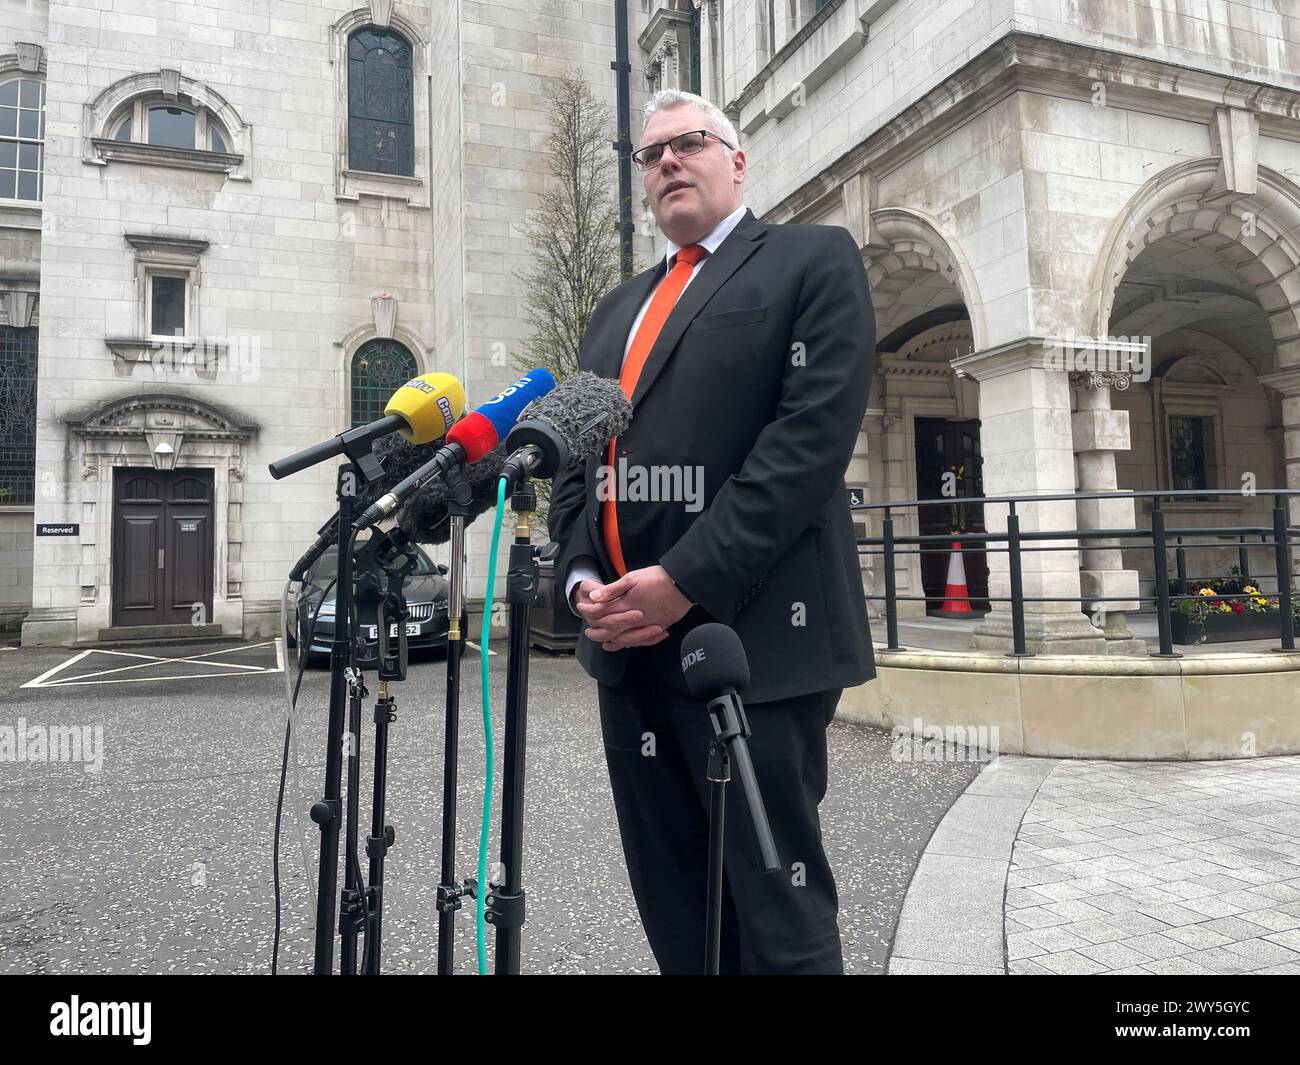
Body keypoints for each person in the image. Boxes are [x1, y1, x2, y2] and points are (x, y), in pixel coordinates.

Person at [547, 88, 876, 974]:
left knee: (777, 906)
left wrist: (681, 579)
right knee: (678, 906)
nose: (665, 163)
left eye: (686, 144)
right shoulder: (613, 311)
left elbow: (804, 449)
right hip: (625, 650)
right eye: (649, 155)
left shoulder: (812, 259)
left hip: (752, 644)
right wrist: (581, 578)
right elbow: (578, 465)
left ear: (736, 160)